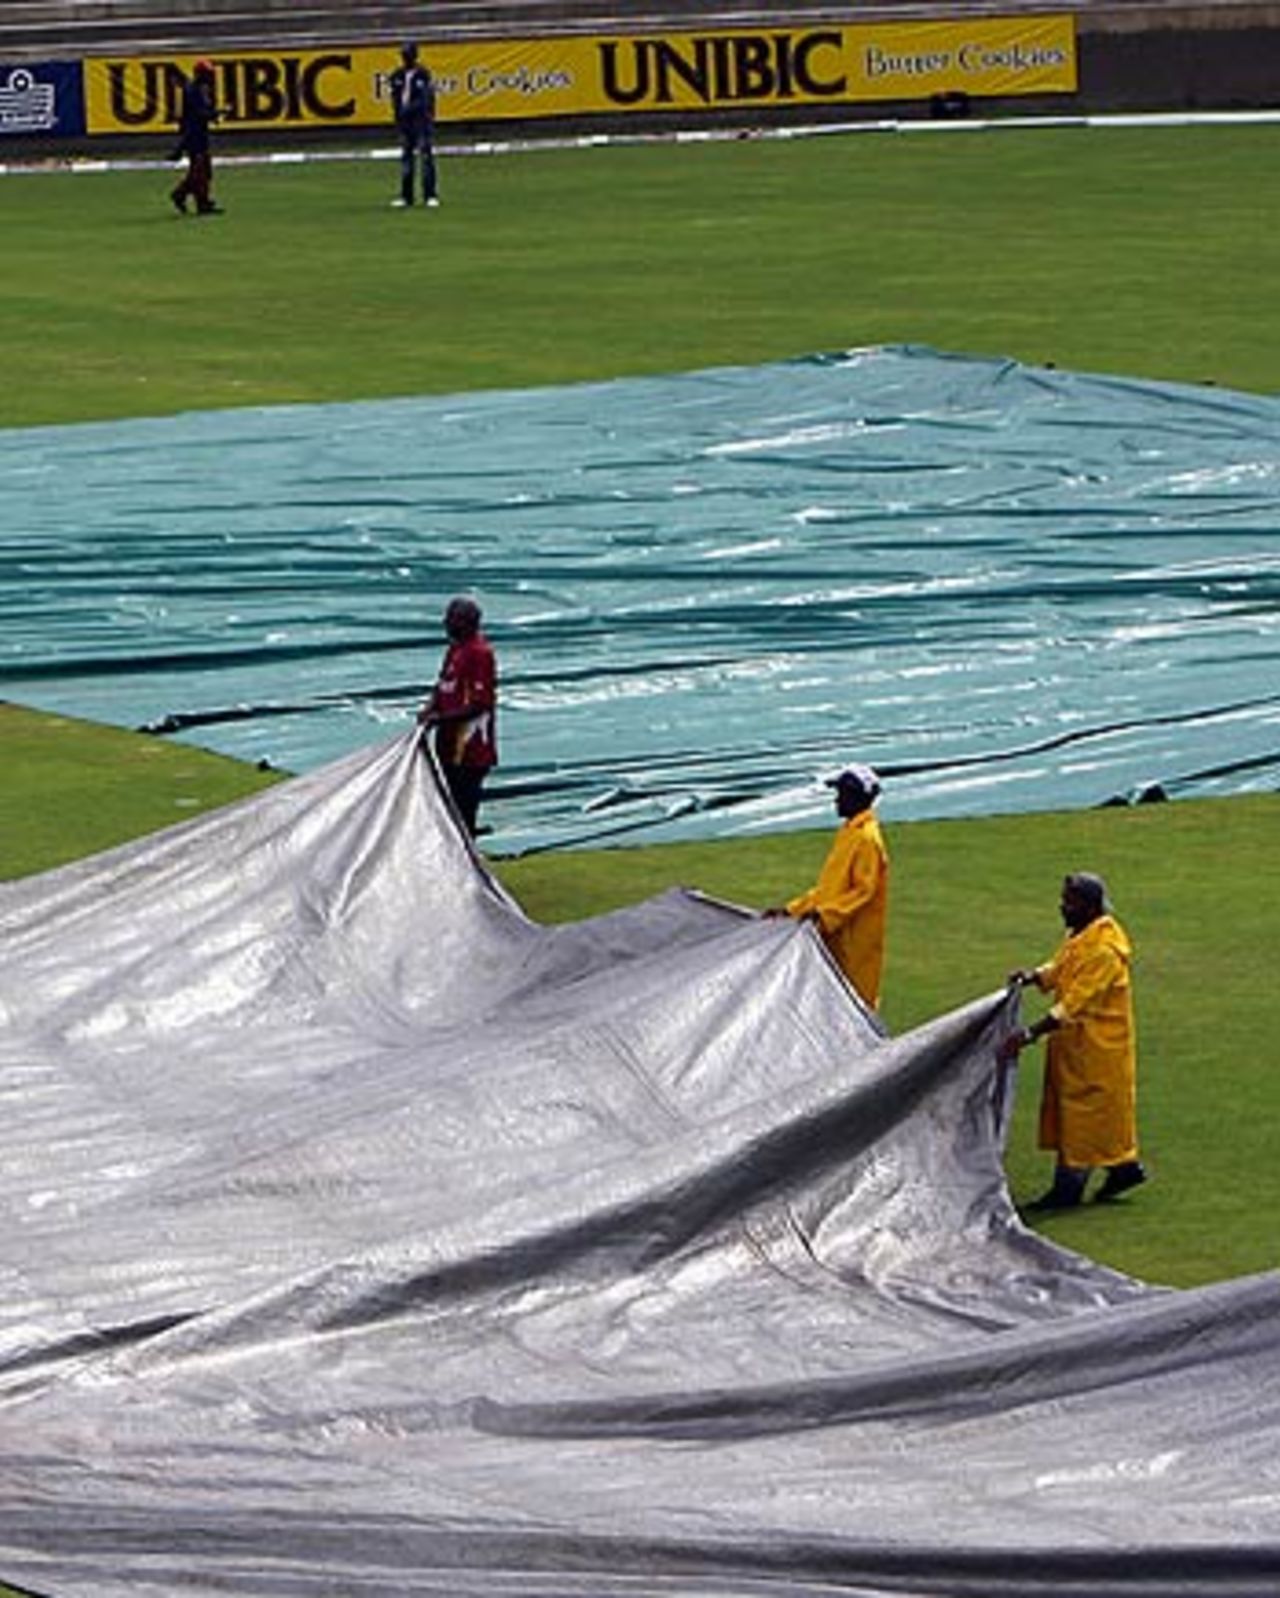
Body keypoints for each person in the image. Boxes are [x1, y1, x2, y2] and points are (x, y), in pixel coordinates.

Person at [998, 872, 1147, 1211]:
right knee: (1092, 1119)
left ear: (1090, 906)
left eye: (1070, 901)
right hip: (1078, 1046)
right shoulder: (1083, 935)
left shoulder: (1105, 952)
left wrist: (1029, 1034)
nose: (1062, 907)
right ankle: (1124, 1168)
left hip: (1096, 1049)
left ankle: (1068, 1189)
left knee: (1082, 1117)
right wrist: (1035, 976)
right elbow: (1062, 966)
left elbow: (1075, 1004)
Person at [764, 765, 889, 1009]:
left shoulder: (867, 839)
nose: (836, 800)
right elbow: (828, 889)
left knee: (853, 1004)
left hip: (853, 941)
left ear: (858, 798)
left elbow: (863, 892)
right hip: (835, 936)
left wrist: (824, 915)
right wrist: (791, 910)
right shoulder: (850, 832)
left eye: (842, 794)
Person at [418, 596, 496, 837]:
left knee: (463, 801)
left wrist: (438, 719)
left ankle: (466, 847)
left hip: (470, 747)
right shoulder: (455, 649)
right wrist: (430, 707)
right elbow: (443, 684)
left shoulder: (479, 654)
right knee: (448, 797)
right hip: (449, 742)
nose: (445, 623)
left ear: (466, 622)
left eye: (451, 619)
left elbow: (480, 704)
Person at [389, 43, 439, 209]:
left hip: (421, 121)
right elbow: (395, 99)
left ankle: (430, 195)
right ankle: (406, 196)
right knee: (407, 159)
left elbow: (425, 100)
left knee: (425, 157)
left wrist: (409, 109)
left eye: (408, 55)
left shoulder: (423, 75)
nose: (405, 58)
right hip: (406, 123)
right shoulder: (397, 75)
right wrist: (398, 117)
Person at [169, 60, 222, 216]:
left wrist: (213, 114)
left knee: (203, 170)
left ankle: (196, 199)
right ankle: (186, 196)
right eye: (208, 74)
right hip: (193, 134)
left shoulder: (201, 89)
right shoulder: (193, 91)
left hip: (200, 132)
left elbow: (204, 111)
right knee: (199, 170)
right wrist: (214, 114)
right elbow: (199, 114)